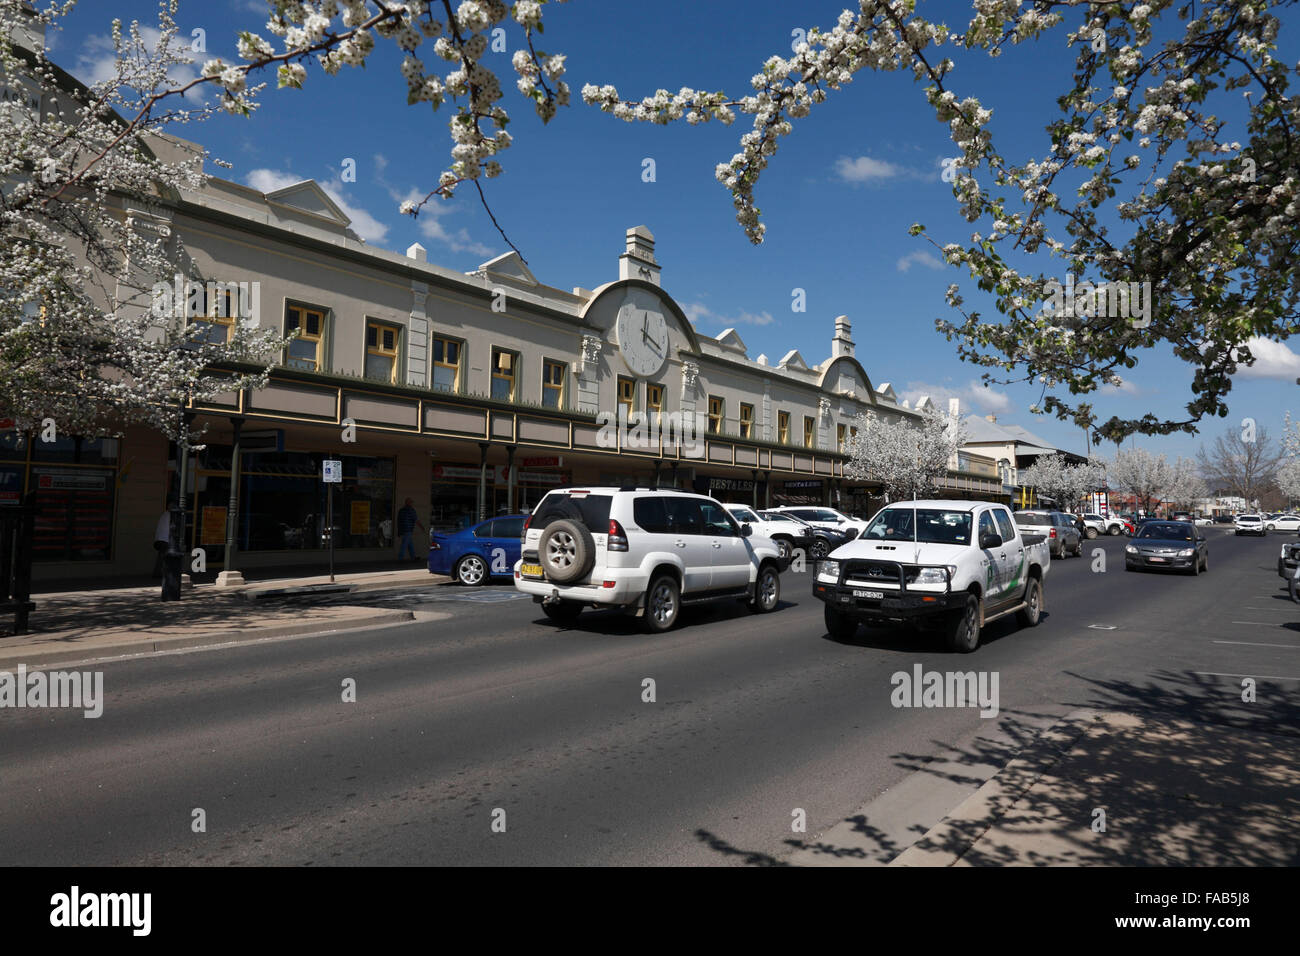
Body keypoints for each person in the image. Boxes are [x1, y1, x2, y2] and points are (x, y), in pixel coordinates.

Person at [152, 509, 171, 578]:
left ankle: (158, 573)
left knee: (161, 557)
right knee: (164, 558)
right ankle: (159, 574)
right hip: (164, 540)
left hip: (160, 539)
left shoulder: (164, 515)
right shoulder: (169, 515)